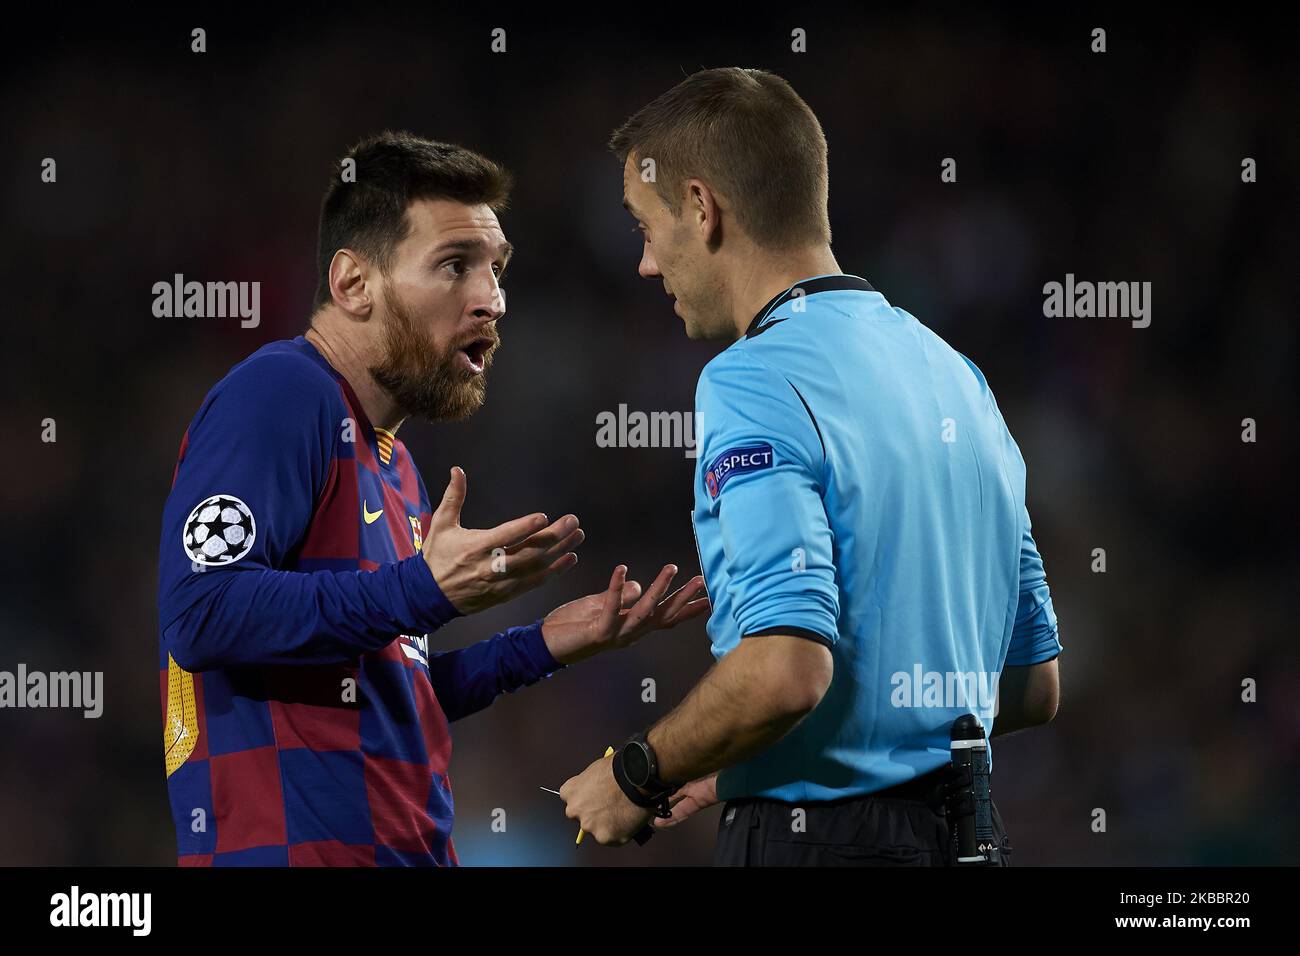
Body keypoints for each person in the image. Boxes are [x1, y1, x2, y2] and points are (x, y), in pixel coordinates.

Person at [157, 131, 707, 866]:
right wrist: (421, 591)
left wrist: (538, 646)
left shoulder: (398, 468)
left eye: (497, 270)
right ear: (354, 284)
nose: (492, 301)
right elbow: (200, 613)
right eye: (455, 266)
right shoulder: (280, 393)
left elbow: (384, 695)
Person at [560, 69, 1061, 865]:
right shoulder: (958, 376)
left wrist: (637, 773)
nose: (647, 264)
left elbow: (786, 673)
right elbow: (1032, 684)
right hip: (970, 839)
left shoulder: (751, 378)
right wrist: (753, 761)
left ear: (701, 207)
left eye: (646, 227)